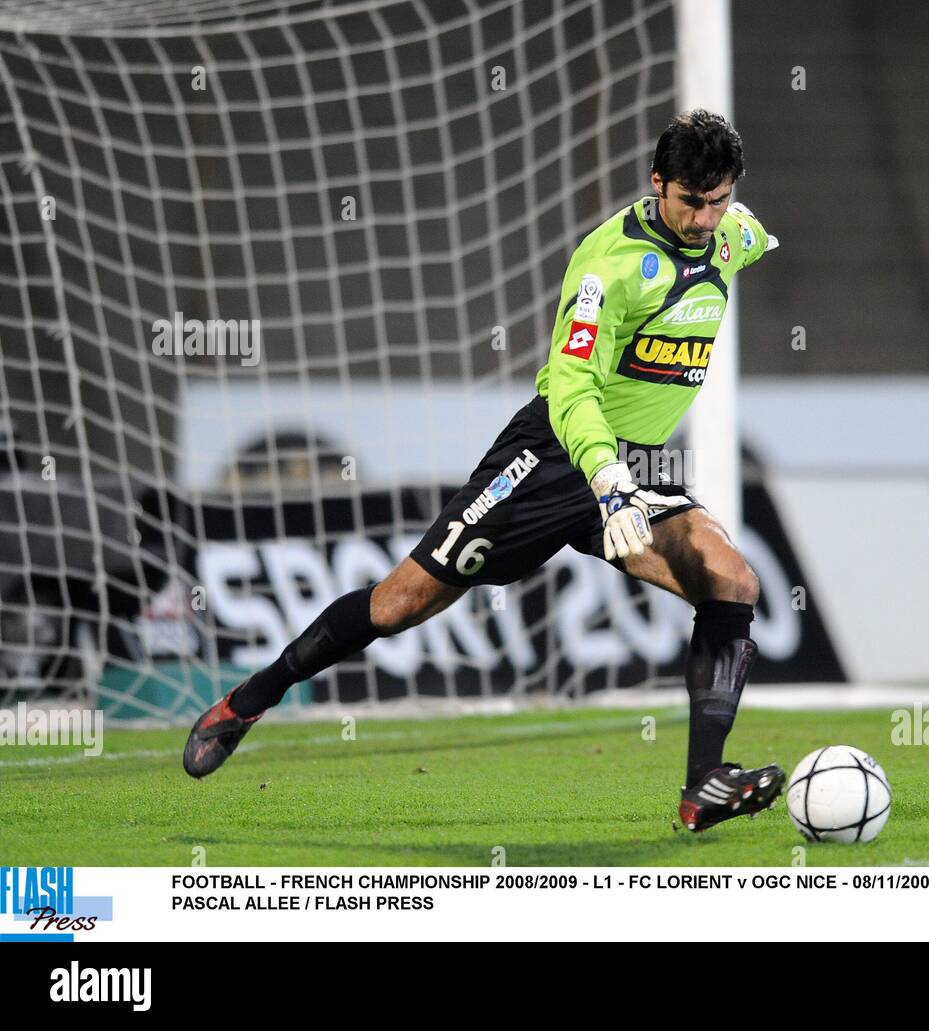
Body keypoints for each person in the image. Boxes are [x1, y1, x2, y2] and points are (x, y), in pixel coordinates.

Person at [183, 109, 785, 832]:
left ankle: (702, 787)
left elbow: (749, 236)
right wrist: (606, 479)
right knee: (399, 604)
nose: (705, 217)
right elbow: (569, 386)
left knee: (731, 579)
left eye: (719, 200)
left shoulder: (733, 236)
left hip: (625, 468)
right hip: (554, 457)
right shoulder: (608, 266)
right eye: (691, 200)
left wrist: (620, 478)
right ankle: (250, 698)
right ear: (657, 183)